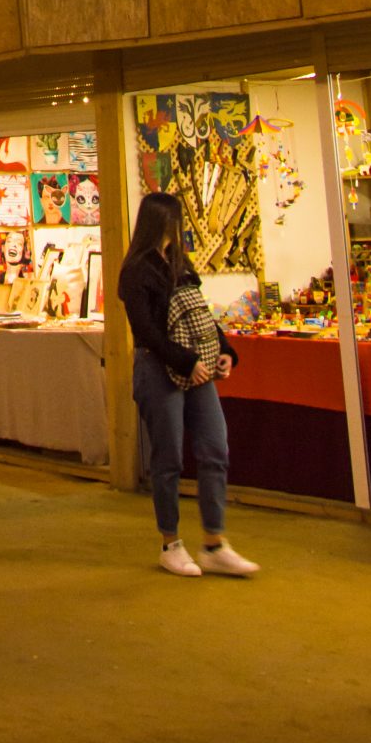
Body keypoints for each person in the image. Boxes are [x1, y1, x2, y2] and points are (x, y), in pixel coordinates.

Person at [118, 190, 257, 579]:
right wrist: (188, 361)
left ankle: (214, 542)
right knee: (169, 460)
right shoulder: (135, 272)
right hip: (158, 370)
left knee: (215, 448)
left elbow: (200, 314)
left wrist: (225, 351)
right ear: (161, 221)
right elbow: (146, 332)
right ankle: (171, 543)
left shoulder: (180, 262)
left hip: (197, 370)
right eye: (175, 220)